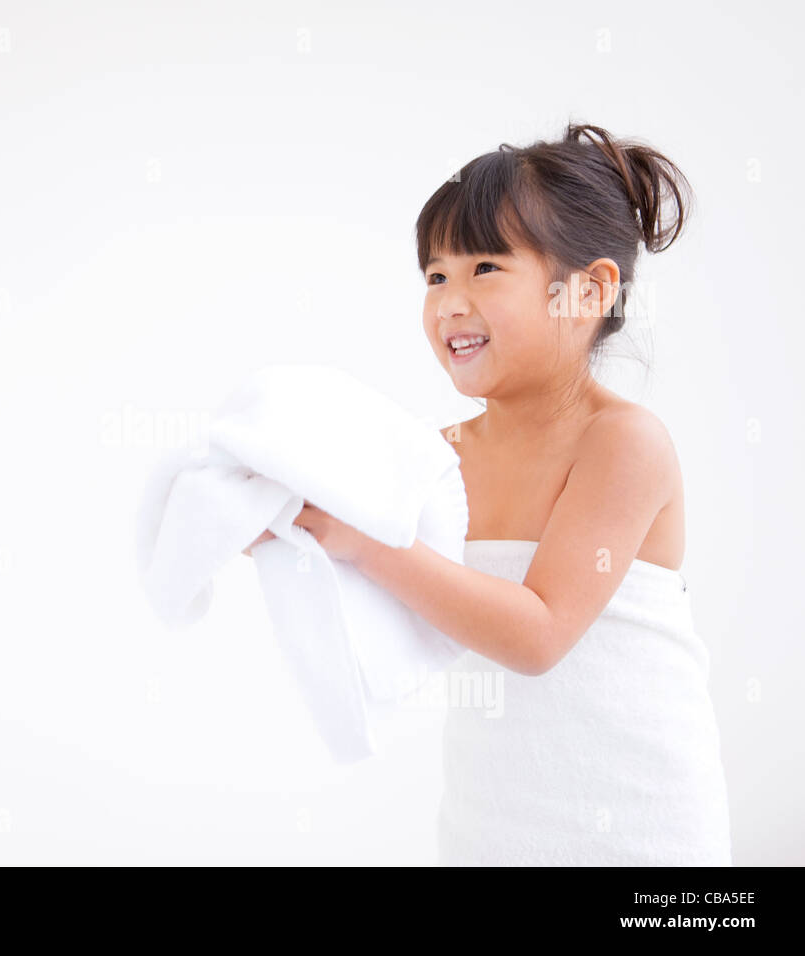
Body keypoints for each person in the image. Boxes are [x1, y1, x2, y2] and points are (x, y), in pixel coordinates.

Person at [246, 122, 732, 865]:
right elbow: (384, 582)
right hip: (494, 824)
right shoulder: (441, 456)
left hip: (638, 832)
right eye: (436, 276)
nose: (449, 301)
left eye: (485, 269)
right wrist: (288, 519)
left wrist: (368, 541)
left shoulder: (624, 444)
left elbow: (538, 635)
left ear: (587, 291)